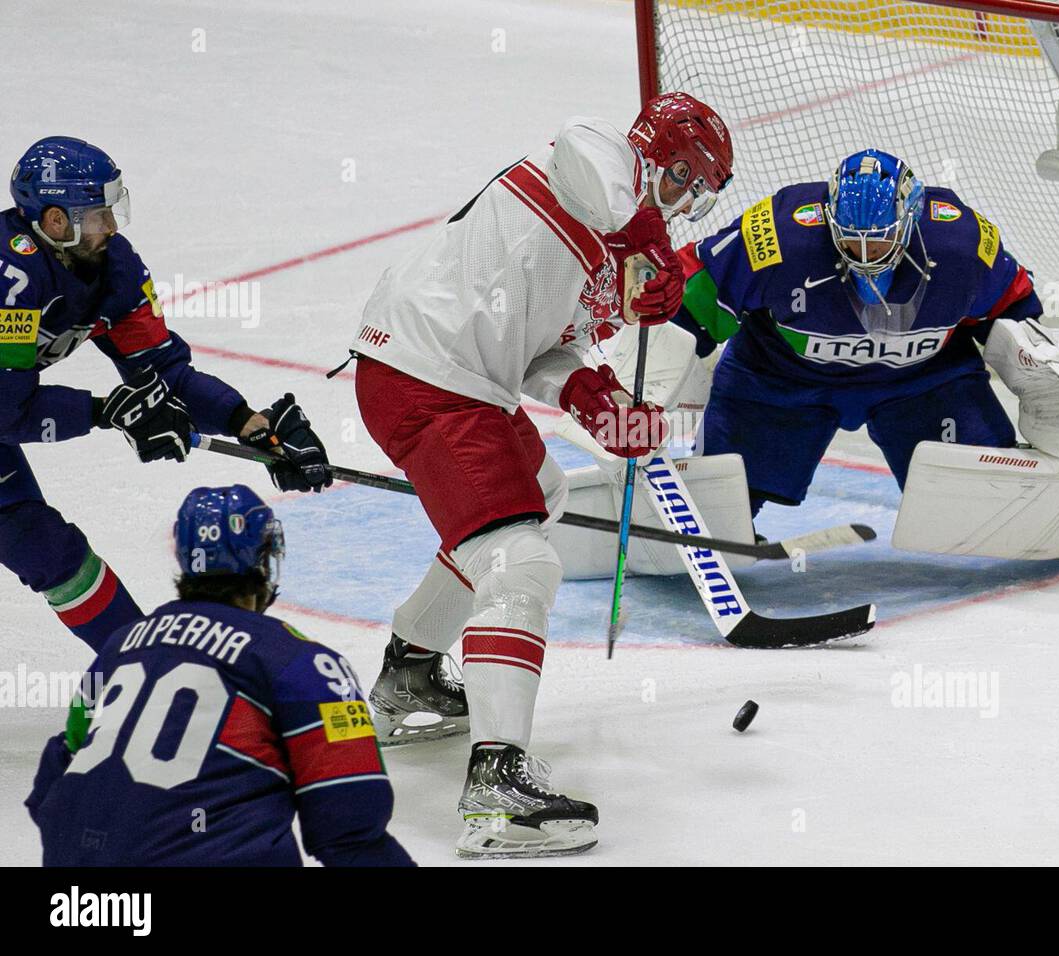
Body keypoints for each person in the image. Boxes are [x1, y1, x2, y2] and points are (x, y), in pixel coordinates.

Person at [348, 92, 733, 858]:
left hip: (459, 378)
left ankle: (410, 674)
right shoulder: (601, 162)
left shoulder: (615, 234)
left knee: (543, 497)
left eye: (700, 196)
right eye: (687, 182)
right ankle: (496, 788)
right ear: (660, 157)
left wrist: (598, 400)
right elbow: (578, 142)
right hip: (430, 377)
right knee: (519, 559)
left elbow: (539, 351)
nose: (687, 203)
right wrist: (645, 243)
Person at [0, 136, 331, 653]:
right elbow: (5, 414)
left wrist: (247, 423)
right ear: (56, 221)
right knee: (36, 539)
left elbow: (164, 374)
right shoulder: (11, 280)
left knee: (47, 548)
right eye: (97, 215)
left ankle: (141, 668)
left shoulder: (114, 267)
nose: (110, 226)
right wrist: (104, 413)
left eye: (112, 210)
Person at [671, 148, 1059, 515]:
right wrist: (653, 388)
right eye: (850, 240)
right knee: (720, 507)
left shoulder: (959, 240)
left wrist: (1042, 378)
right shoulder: (777, 233)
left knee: (985, 497)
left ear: (909, 222)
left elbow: (1014, 308)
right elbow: (693, 295)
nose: (865, 254)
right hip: (782, 380)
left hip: (922, 381)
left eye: (879, 240)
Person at [25, 484, 414, 866]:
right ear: (264, 561)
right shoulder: (303, 664)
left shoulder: (119, 647)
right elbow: (348, 824)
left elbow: (54, 774)